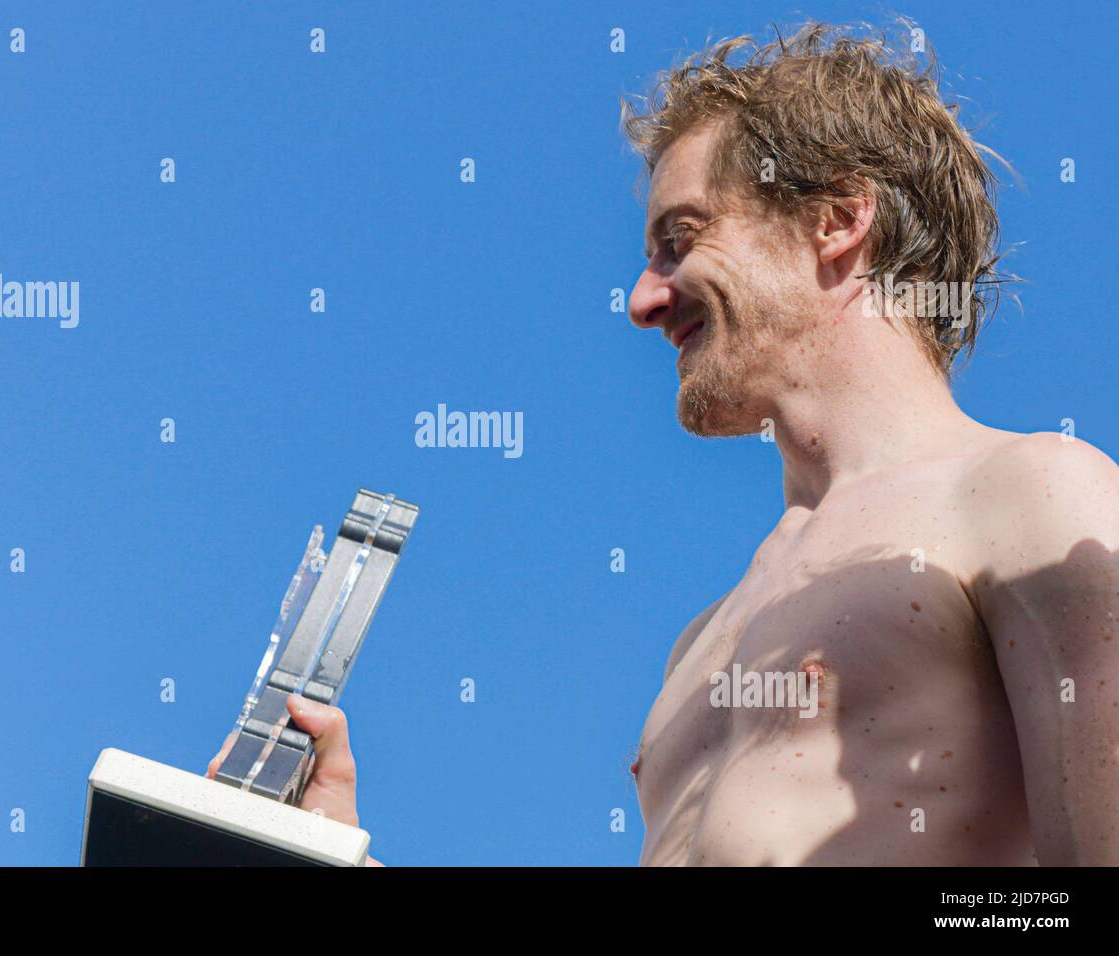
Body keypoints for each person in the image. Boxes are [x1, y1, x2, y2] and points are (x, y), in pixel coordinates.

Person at [212, 22, 1119, 865]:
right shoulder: (702, 640)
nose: (644, 303)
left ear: (837, 221)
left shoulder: (1032, 496)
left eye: (680, 241)